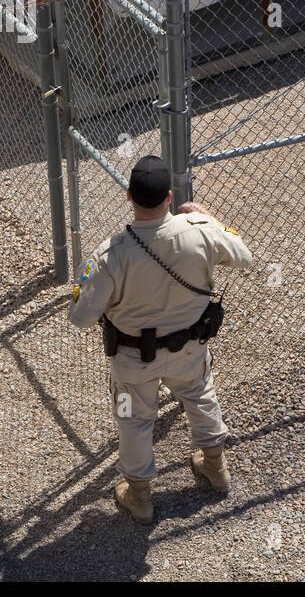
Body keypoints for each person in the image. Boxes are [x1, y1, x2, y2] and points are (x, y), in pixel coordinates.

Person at [68, 154, 253, 524]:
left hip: (134, 359)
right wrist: (209, 217)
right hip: (189, 347)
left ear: (128, 197)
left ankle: (140, 497)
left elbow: (80, 317)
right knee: (200, 395)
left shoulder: (110, 254)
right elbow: (244, 256)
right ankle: (214, 466)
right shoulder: (199, 229)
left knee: (134, 419)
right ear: (170, 196)